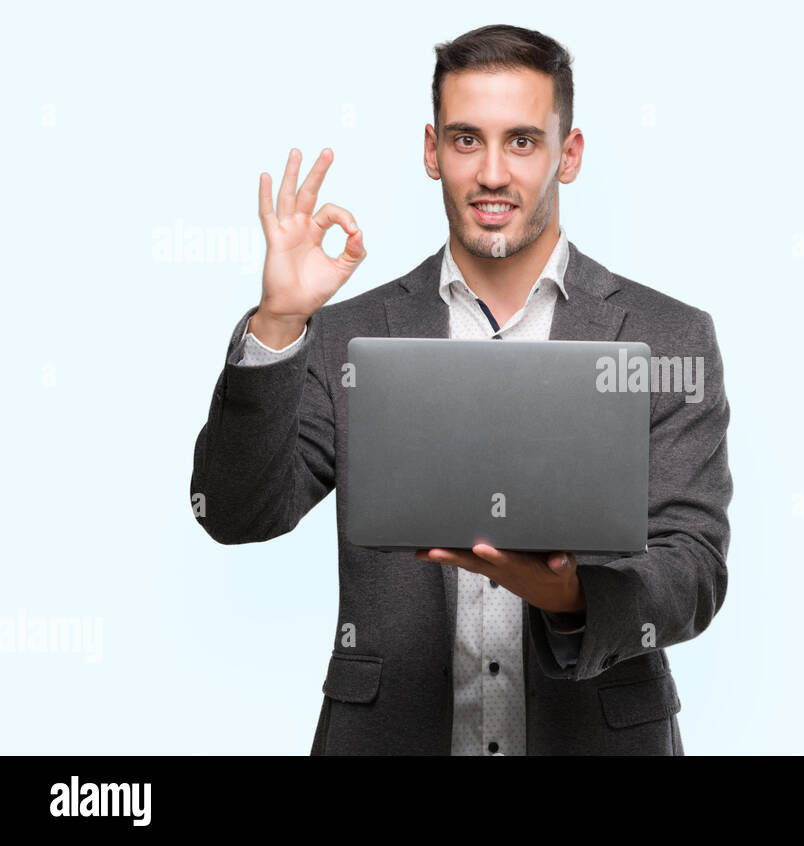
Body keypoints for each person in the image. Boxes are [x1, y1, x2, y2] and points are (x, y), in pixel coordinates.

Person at [189, 24, 731, 755]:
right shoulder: (351, 334)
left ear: (568, 156)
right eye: (467, 139)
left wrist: (570, 598)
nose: (493, 173)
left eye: (523, 141)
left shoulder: (669, 337)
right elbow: (235, 511)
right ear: (431, 151)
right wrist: (281, 320)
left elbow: (692, 568)